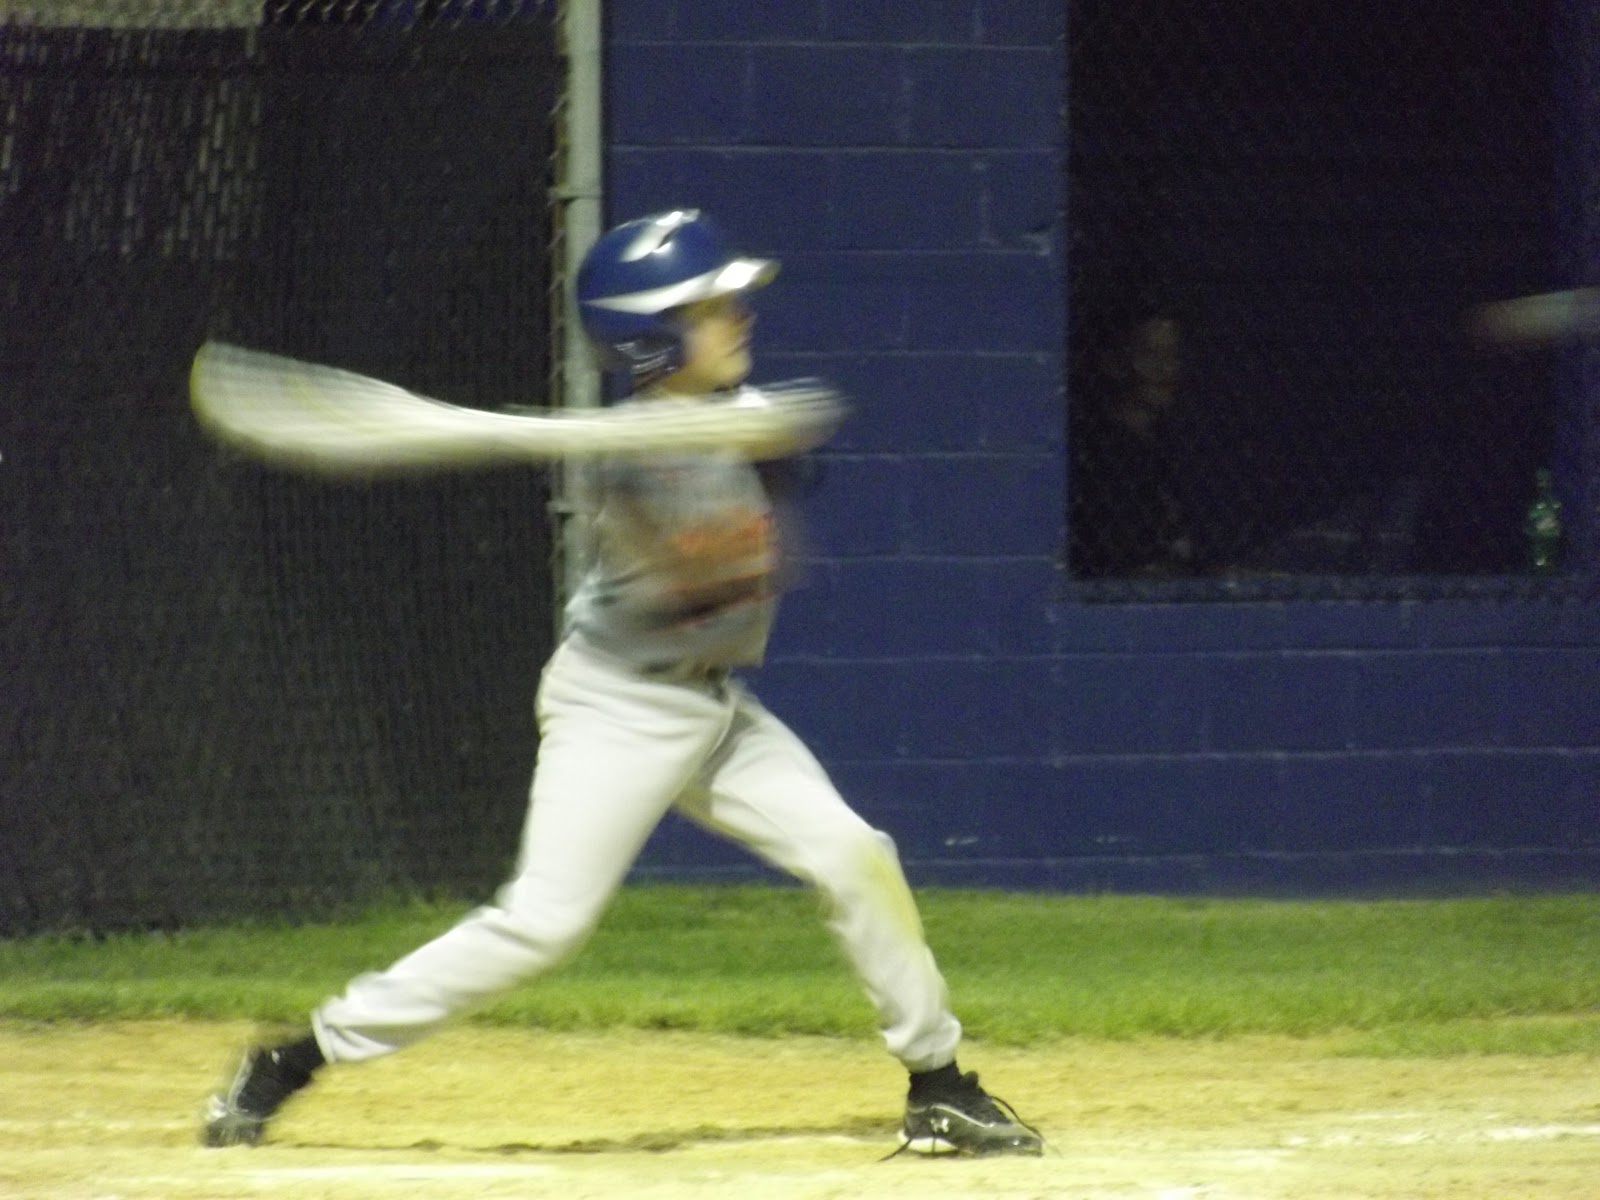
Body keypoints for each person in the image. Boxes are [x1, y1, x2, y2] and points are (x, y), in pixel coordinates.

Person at [200, 209, 1043, 1158]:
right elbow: (686, 513)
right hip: (617, 710)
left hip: (716, 709)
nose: (737, 318)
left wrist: (753, 427)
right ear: (650, 339)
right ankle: (289, 1061)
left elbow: (774, 448)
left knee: (855, 853)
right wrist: (700, 433)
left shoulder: (736, 421)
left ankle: (940, 1085)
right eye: (710, 307)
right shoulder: (628, 456)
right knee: (541, 926)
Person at [1069, 296, 1205, 578]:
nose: (1166, 371)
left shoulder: (1166, 445)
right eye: (1150, 356)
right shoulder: (1096, 454)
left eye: (1173, 356)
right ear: (1113, 363)